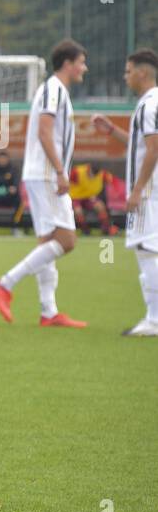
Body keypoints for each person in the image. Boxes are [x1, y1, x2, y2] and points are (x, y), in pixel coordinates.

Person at [0, 40, 90, 328]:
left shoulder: (57, 91)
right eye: (81, 61)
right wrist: (60, 171)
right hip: (46, 174)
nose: (85, 67)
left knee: (48, 242)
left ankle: (48, 312)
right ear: (68, 63)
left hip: (43, 174)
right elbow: (46, 133)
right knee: (66, 240)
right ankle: (4, 284)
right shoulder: (53, 89)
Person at [92, 48, 158, 336]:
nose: (126, 76)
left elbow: (154, 148)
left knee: (147, 250)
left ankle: (154, 319)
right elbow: (141, 145)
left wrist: (138, 189)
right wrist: (112, 132)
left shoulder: (148, 105)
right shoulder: (150, 103)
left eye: (129, 71)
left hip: (149, 193)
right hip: (150, 190)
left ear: (142, 72)